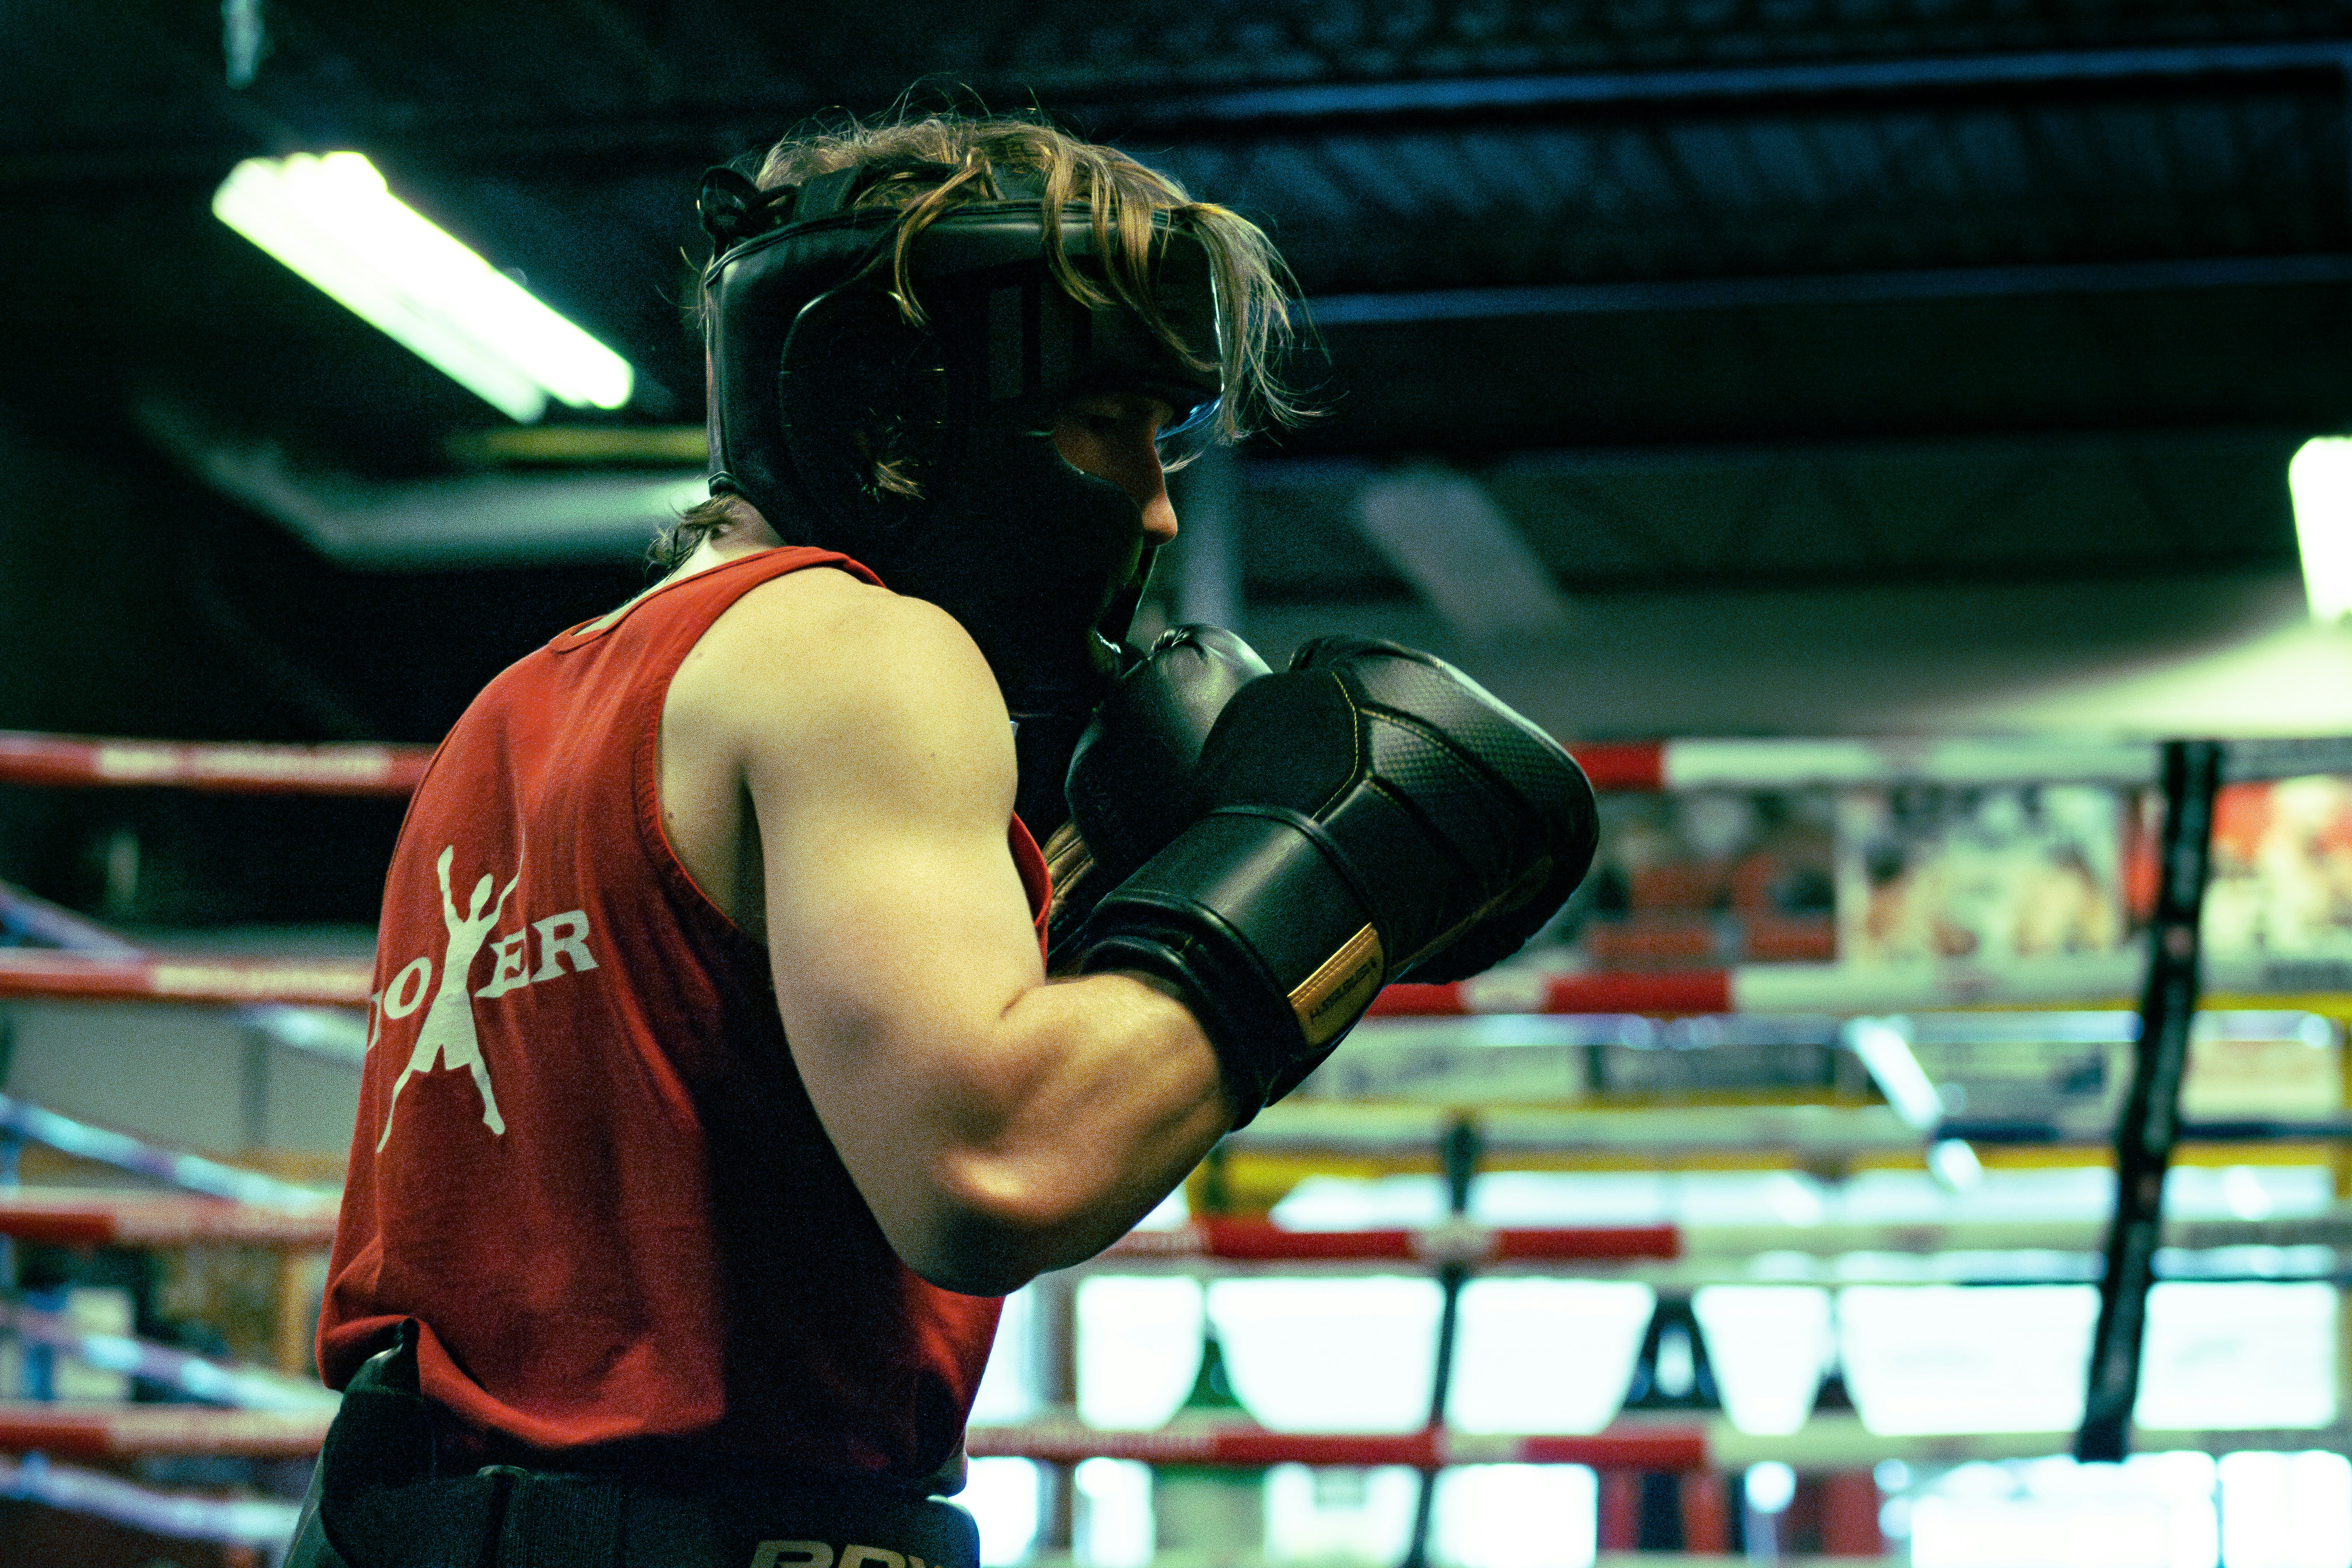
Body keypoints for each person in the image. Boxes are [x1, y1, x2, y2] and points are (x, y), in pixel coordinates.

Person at [287, 110, 1598, 1568]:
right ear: (896, 413)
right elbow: (991, 1165)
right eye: (1113, 426)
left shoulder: (513, 719)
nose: (1159, 506)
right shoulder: (869, 655)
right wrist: (1336, 866)